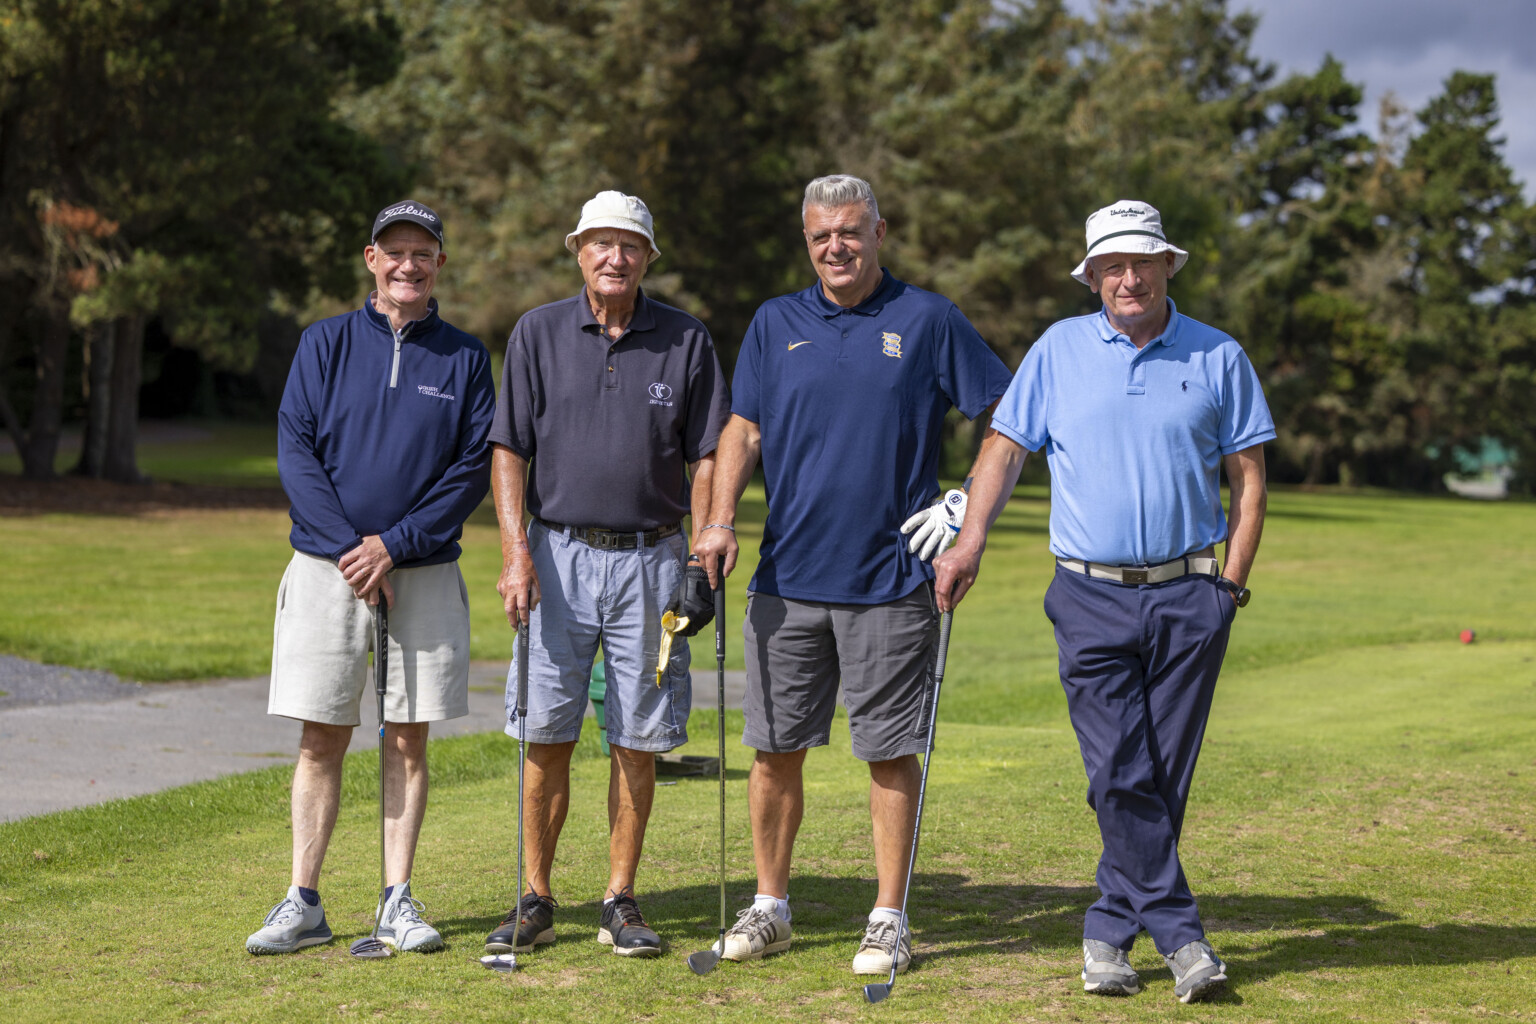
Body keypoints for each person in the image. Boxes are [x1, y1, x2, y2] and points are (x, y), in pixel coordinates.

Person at [933, 199, 1274, 1003]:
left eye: (1142, 263)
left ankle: (1108, 934)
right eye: (1112, 266)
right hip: (1088, 594)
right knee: (1117, 768)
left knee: (1163, 776)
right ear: (1092, 277)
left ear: (1167, 267)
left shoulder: (1218, 354)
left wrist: (1231, 585)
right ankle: (1184, 938)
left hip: (1192, 592)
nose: (1129, 278)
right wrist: (970, 540)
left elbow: (1249, 480)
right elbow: (1005, 449)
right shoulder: (1057, 350)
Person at [693, 174, 1013, 977]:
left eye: (850, 231)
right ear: (807, 241)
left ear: (879, 231)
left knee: (889, 752)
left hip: (893, 581)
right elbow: (744, 426)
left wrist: (965, 502)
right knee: (773, 751)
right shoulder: (776, 321)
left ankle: (888, 917)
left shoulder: (929, 319)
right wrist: (720, 517)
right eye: (820, 235)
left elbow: (1009, 415)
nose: (836, 247)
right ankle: (771, 908)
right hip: (787, 577)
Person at [482, 190, 730, 959]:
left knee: (637, 737)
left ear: (649, 256)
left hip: (653, 561)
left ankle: (620, 898)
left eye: (629, 245)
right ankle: (537, 897)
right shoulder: (538, 332)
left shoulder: (685, 339)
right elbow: (509, 450)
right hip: (555, 556)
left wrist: (699, 555)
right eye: (600, 244)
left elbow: (710, 455)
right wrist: (514, 550)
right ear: (577, 250)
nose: (614, 257)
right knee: (545, 732)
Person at [246, 199, 496, 955]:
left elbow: (470, 469)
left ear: (440, 265)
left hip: (419, 573)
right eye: (395, 252)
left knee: (407, 739)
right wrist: (356, 551)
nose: (408, 265)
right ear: (371, 260)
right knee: (321, 736)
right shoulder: (323, 343)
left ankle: (396, 899)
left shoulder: (465, 356)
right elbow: (297, 452)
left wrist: (395, 545)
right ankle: (304, 901)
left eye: (423, 252)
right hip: (328, 572)